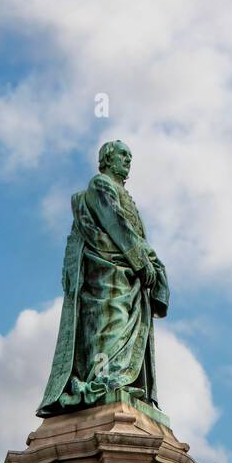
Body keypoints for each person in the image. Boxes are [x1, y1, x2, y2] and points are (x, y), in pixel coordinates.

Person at [38, 141, 169, 416]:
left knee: (121, 325)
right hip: (109, 270)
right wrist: (141, 260)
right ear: (107, 159)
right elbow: (116, 225)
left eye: (130, 157)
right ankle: (103, 381)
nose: (128, 160)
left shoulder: (125, 193)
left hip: (129, 275)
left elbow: (137, 236)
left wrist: (150, 262)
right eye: (123, 155)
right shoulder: (100, 184)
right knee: (109, 323)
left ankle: (118, 381)